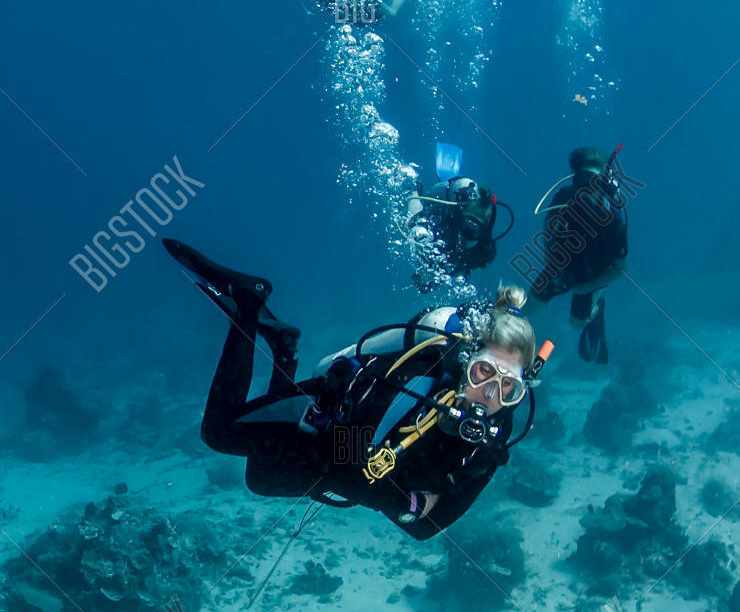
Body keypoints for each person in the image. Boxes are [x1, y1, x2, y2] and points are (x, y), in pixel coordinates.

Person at [165, 238, 544, 540]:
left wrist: (387, 494)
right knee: (218, 433)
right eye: (483, 373)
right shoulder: (420, 377)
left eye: (508, 387)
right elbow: (356, 459)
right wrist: (404, 500)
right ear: (465, 366)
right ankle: (248, 301)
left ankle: (283, 347)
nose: (491, 395)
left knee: (260, 479)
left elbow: (428, 529)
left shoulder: (498, 431)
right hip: (321, 418)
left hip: (337, 465)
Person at [519, 146, 630, 363]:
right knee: (525, 310)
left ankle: (597, 310)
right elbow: (548, 232)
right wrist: (554, 265)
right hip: (561, 268)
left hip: (594, 275)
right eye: (582, 178)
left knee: (576, 323)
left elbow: (620, 267)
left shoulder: (614, 218)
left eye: (592, 179)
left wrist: (587, 287)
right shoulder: (563, 198)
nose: (587, 186)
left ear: (606, 182)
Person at [404, 174, 505, 291]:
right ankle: (413, 188)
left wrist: (452, 275)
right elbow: (416, 221)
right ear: (460, 216)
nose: (471, 230)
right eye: (469, 222)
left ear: (486, 229)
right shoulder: (443, 221)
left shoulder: (484, 250)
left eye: (478, 227)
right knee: (414, 224)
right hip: (435, 220)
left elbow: (466, 266)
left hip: (452, 260)